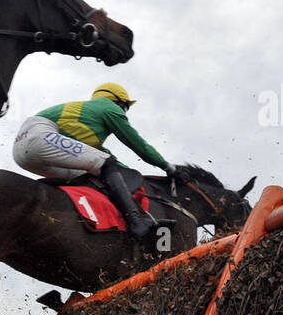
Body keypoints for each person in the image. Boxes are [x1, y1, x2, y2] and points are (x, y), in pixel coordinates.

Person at [12, 83, 180, 241]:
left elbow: (103, 158)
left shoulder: (85, 118)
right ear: (117, 101)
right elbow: (137, 143)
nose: (124, 113)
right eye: (125, 107)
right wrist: (167, 166)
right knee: (106, 164)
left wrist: (127, 172)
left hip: (22, 152)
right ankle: (136, 222)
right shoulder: (109, 107)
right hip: (39, 137)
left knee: (92, 173)